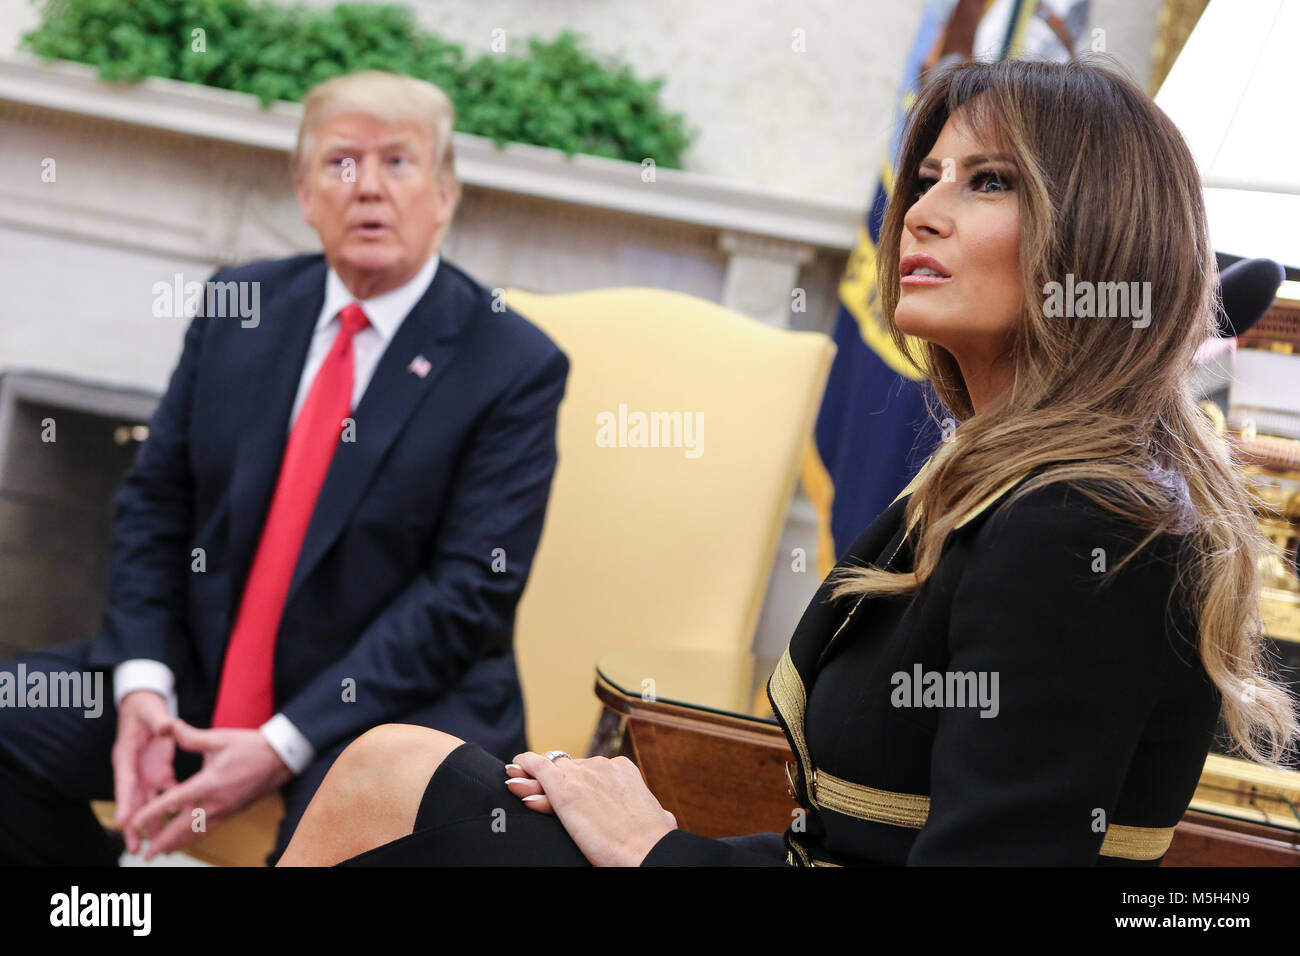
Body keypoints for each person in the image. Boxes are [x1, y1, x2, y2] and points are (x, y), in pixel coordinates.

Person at [277, 56, 1299, 868]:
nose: (921, 212)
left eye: (987, 182)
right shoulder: (989, 488)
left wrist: (655, 846)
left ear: (1101, 238)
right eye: (928, 177)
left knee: (387, 781)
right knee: (388, 765)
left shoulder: (1080, 525)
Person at [0, 70, 568, 866]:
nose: (367, 186)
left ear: (444, 194)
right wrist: (142, 685)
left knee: (337, 835)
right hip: (204, 672)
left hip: (388, 709)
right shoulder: (242, 305)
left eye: (398, 163)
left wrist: (279, 741)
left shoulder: (512, 362)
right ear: (305, 193)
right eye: (340, 163)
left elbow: (468, 592)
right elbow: (154, 505)